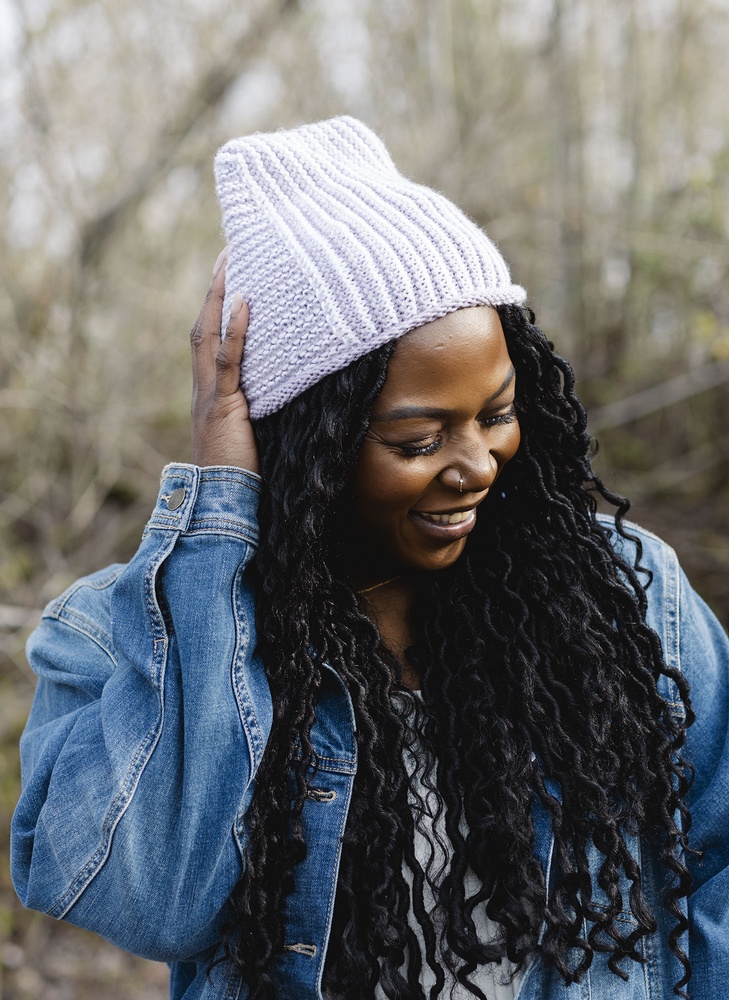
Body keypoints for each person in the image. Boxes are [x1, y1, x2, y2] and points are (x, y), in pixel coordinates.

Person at [10, 117, 729, 1000]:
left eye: (498, 413)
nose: (475, 465)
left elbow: (717, 859)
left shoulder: (623, 596)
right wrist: (217, 525)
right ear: (308, 447)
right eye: (418, 437)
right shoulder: (121, 634)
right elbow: (152, 903)